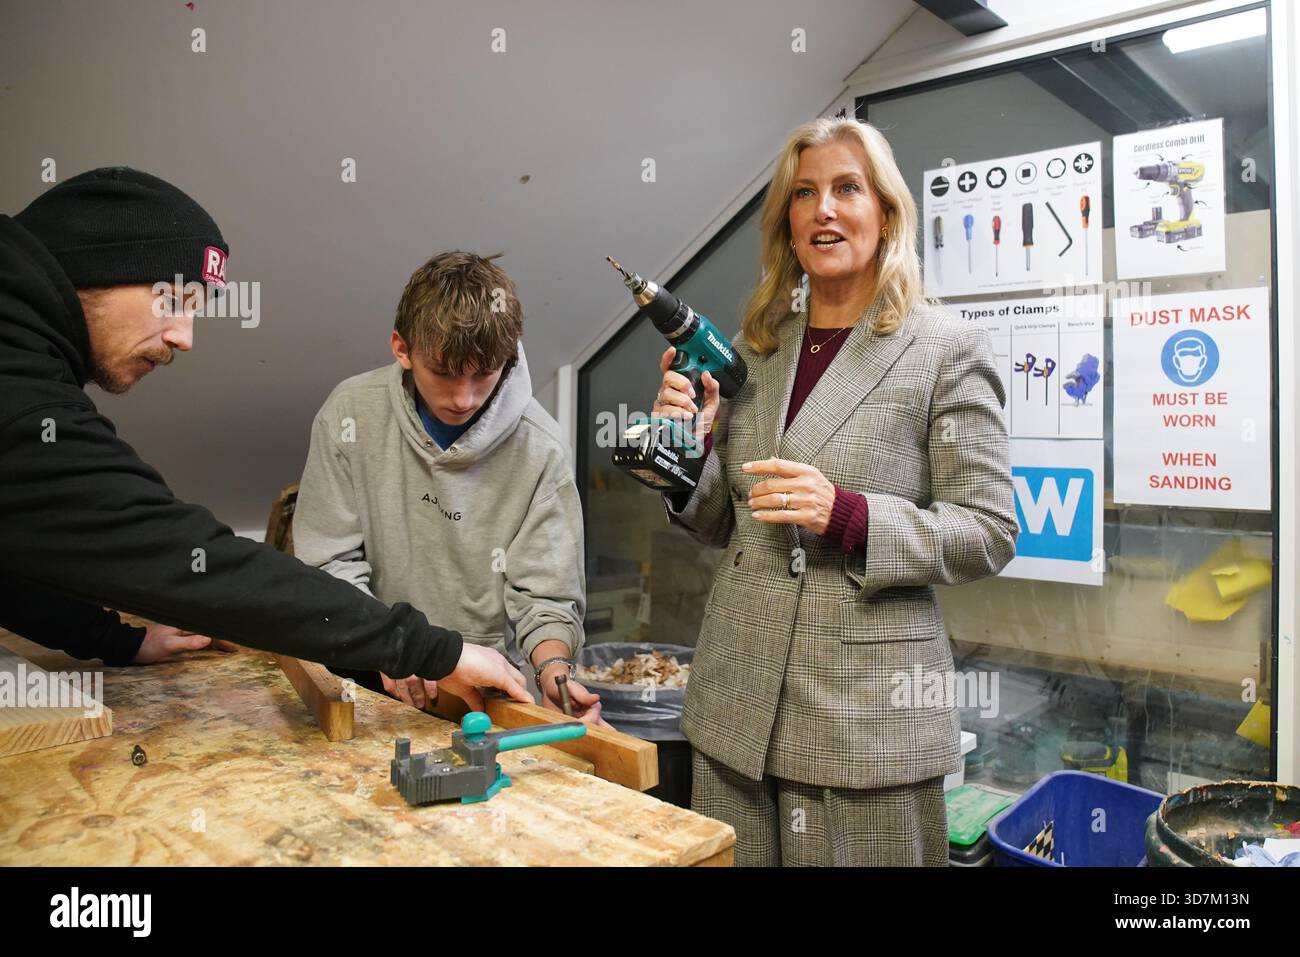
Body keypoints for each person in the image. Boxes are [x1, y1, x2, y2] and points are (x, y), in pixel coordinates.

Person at [0, 167, 530, 712]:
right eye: (175, 300)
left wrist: (116, 639)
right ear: (96, 264)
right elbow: (168, 547)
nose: (184, 337)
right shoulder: (18, 390)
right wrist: (426, 649)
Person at [651, 118, 1018, 865]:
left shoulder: (944, 350)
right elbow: (731, 521)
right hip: (736, 705)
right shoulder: (758, 347)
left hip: (864, 720)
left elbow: (988, 529)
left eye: (846, 188)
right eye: (804, 193)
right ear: (786, 223)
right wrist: (687, 455)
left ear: (884, 211)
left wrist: (848, 515)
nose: (823, 209)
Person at [294, 251, 603, 723]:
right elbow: (328, 560)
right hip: (371, 676)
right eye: (443, 373)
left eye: (484, 374)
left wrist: (554, 672)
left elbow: (547, 597)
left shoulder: (541, 449)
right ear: (402, 348)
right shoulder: (349, 415)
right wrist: (390, 645)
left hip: (491, 695)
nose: (463, 399)